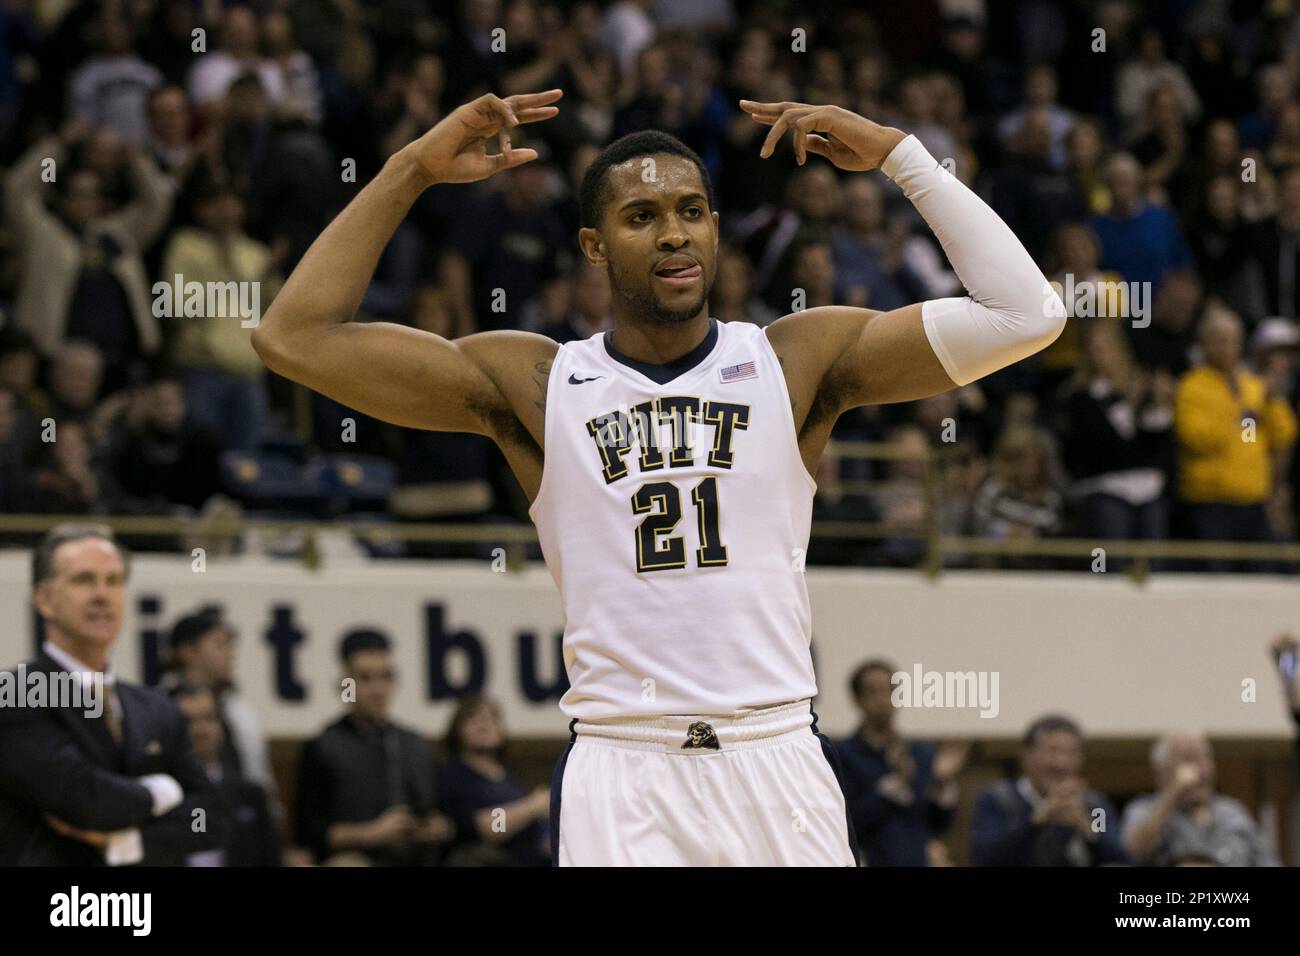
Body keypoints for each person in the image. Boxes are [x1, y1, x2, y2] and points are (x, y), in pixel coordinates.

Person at [252, 88, 1066, 866]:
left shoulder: (792, 359)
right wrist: (411, 171)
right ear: (594, 247)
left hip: (775, 752)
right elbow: (293, 337)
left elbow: (1027, 314)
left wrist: (898, 155)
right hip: (624, 765)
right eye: (641, 217)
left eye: (689, 212)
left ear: (715, 228)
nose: (673, 234)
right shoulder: (535, 382)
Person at [0, 524, 225, 865]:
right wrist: (161, 791)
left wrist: (129, 844)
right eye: (84, 580)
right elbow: (85, 800)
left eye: (114, 581)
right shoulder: (17, 692)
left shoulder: (156, 707)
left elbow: (210, 819)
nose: (102, 595)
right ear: (44, 599)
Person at [294, 632, 453, 866]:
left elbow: (446, 812)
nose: (378, 689)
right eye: (365, 678)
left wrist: (440, 827)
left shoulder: (415, 744)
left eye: (386, 677)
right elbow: (309, 832)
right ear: (345, 685)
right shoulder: (323, 747)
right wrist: (371, 834)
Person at [834, 660, 966, 866]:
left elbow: (937, 824)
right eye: (873, 692)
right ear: (857, 700)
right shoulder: (843, 754)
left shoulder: (920, 753)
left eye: (890, 690)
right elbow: (847, 823)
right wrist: (892, 786)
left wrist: (941, 782)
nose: (883, 699)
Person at [970, 714, 1127, 866]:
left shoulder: (1095, 806)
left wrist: (1086, 827)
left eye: (1071, 753)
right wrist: (1036, 820)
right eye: (1052, 751)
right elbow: (984, 857)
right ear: (1026, 755)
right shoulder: (999, 800)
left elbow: (1119, 859)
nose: (1061, 763)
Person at [1121, 732, 1279, 867]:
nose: (1200, 769)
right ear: (1162, 771)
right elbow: (1137, 849)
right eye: (1188, 759)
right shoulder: (1144, 809)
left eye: (1204, 758)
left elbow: (1267, 862)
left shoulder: (1233, 812)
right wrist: (1173, 793)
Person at [438, 695, 549, 866]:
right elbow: (490, 829)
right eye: (473, 717)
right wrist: (532, 807)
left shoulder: (512, 778)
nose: (484, 723)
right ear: (457, 729)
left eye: (492, 717)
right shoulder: (453, 777)